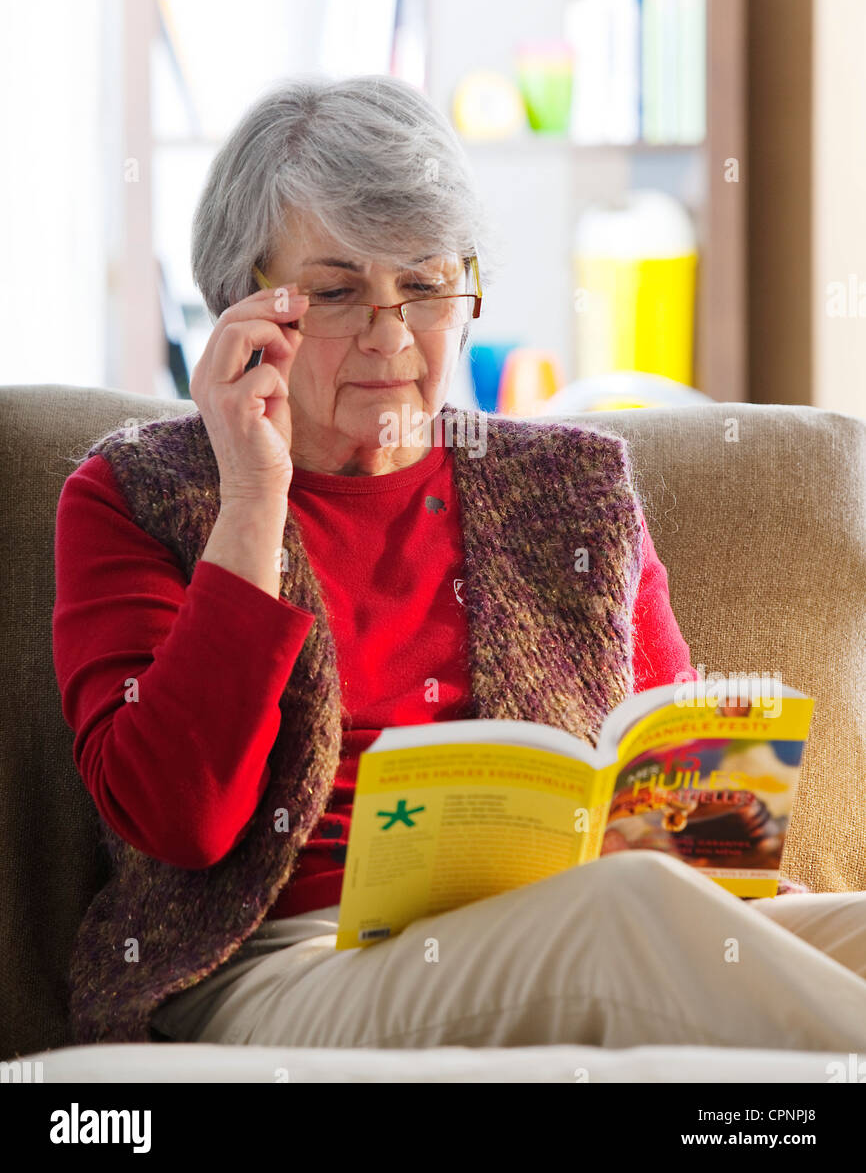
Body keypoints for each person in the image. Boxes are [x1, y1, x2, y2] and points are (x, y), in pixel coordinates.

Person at [53, 75, 866, 1054]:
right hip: (281, 963)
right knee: (623, 909)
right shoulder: (133, 494)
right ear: (244, 309)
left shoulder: (574, 486)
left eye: (424, 285)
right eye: (339, 290)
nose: (391, 335)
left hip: (576, 912)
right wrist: (251, 498)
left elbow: (686, 797)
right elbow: (178, 819)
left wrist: (747, 895)